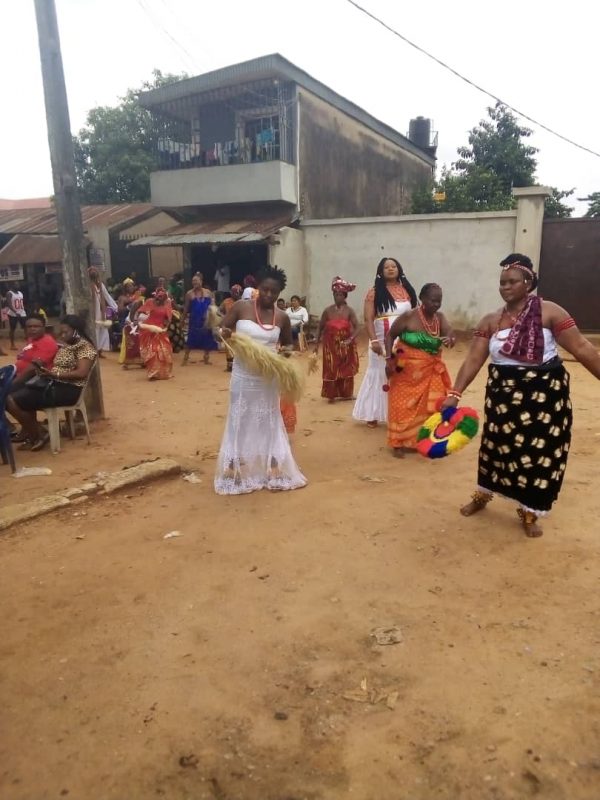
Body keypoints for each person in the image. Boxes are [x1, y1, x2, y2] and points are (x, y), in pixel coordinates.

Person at [443, 253, 600, 538]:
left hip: (544, 399)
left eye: (512, 281)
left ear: (528, 283)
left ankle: (529, 511)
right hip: (503, 397)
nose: (505, 286)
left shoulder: (550, 312)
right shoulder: (491, 320)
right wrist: (455, 392)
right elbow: (473, 360)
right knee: (496, 447)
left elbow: (582, 349)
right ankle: (483, 496)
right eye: (502, 282)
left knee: (538, 454)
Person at [214, 265, 307, 495]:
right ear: (258, 287)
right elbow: (222, 328)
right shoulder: (241, 307)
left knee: (270, 417)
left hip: (267, 378)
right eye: (264, 289)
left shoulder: (283, 317)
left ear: (279, 293)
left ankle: (273, 467)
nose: (268, 295)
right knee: (239, 418)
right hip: (243, 375)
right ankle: (232, 467)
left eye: (273, 292)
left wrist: (283, 358)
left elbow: (287, 345)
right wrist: (225, 335)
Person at [6, 315, 97, 451]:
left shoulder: (84, 347)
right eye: (61, 332)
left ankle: (39, 434)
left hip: (69, 389)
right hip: (54, 384)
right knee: (17, 396)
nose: (62, 334)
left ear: (76, 331)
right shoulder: (68, 345)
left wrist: (55, 374)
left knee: (11, 400)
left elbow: (81, 373)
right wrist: (43, 368)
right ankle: (34, 433)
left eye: (65, 332)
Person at [384, 283, 454, 457]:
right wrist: (388, 359)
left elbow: (450, 334)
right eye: (433, 300)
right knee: (401, 406)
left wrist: (450, 339)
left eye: (439, 301)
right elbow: (390, 335)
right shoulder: (408, 316)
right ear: (422, 299)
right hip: (405, 371)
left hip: (431, 371)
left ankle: (423, 439)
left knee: (432, 405)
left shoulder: (440, 318)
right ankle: (398, 442)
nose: (436, 304)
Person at [353, 258, 417, 428]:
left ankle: (398, 412)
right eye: (386, 267)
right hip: (381, 338)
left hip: (403, 339)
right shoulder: (374, 292)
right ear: (380, 272)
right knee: (379, 372)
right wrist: (373, 340)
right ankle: (372, 413)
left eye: (393, 266)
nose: (390, 269)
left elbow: (413, 315)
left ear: (399, 269)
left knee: (401, 373)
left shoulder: (407, 290)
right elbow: (368, 318)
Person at [314, 277, 360, 402]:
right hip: (330, 345)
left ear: (345, 296)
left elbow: (357, 327)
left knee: (346, 368)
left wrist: (351, 339)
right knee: (331, 368)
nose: (337, 297)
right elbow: (320, 327)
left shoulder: (349, 311)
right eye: (335, 294)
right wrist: (316, 344)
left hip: (346, 345)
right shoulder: (327, 311)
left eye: (340, 294)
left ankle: (346, 394)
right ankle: (331, 394)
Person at [137, 288, 174, 380]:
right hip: (149, 330)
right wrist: (138, 322)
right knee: (153, 351)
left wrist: (165, 326)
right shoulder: (150, 302)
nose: (158, 299)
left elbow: (168, 319)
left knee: (165, 351)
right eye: (157, 297)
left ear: (164, 298)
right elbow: (140, 312)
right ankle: (152, 373)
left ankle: (163, 373)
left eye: (161, 297)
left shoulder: (167, 305)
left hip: (160, 330)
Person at [12, 315, 58, 386]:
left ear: (44, 328)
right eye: (29, 327)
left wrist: (11, 384)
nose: (32, 329)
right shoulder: (32, 339)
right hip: (19, 375)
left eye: (36, 326)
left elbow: (33, 369)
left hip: (34, 381)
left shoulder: (47, 342)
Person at [182, 273, 218, 365]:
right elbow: (186, 308)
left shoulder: (208, 293)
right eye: (193, 281)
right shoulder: (189, 294)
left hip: (206, 320)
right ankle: (185, 358)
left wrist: (212, 315)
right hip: (194, 320)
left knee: (207, 338)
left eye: (196, 281)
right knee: (191, 339)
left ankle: (206, 358)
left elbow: (213, 306)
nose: (194, 282)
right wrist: (182, 320)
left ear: (201, 282)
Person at [89, 267, 118, 356]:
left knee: (103, 329)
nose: (94, 274)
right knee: (96, 330)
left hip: (101, 311)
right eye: (92, 272)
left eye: (95, 272)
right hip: (94, 310)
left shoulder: (101, 285)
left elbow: (107, 296)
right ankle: (95, 350)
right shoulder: (88, 285)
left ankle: (100, 350)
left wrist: (114, 306)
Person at [220, 285, 243, 372]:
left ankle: (239, 366)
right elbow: (219, 311)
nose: (235, 295)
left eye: (237, 293)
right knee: (228, 346)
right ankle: (230, 366)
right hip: (228, 327)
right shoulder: (227, 301)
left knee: (239, 347)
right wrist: (224, 317)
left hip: (240, 328)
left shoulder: (243, 302)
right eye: (233, 293)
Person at [6, 283, 27, 350]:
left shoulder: (20, 293)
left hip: (22, 312)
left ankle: (28, 343)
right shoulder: (9, 293)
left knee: (26, 328)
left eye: (18, 284)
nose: (18, 286)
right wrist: (15, 312)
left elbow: (21, 303)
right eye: (16, 285)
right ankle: (12, 345)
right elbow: (9, 304)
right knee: (12, 329)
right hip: (13, 314)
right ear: (13, 285)